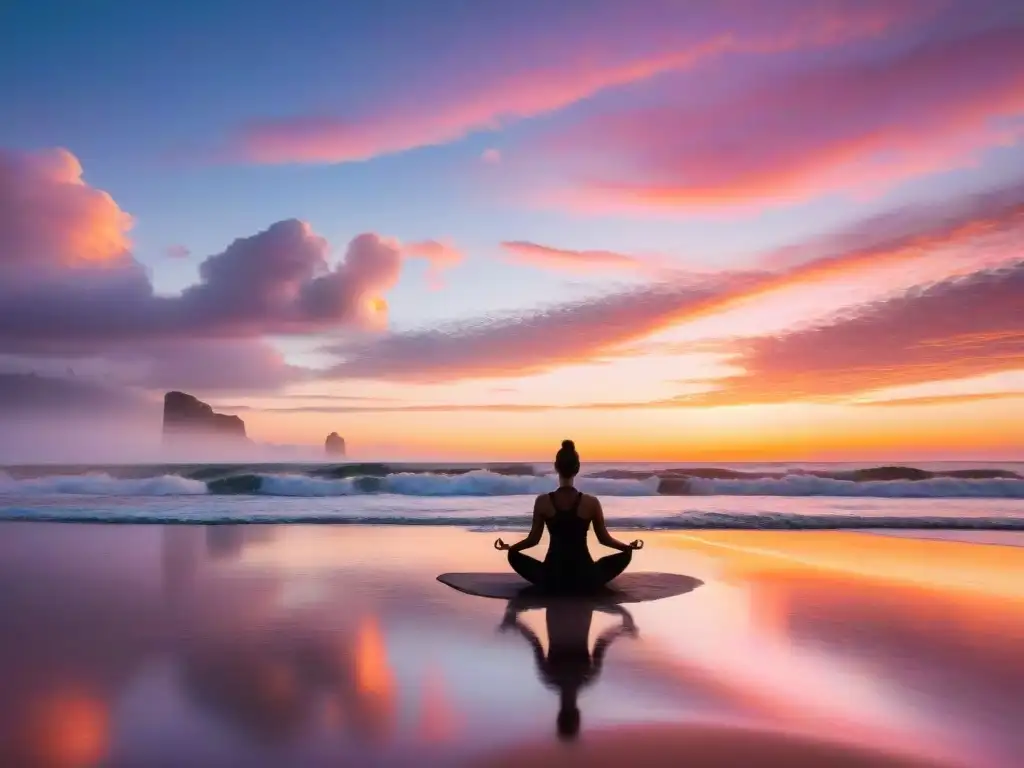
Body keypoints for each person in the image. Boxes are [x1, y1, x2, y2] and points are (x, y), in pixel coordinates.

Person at [494, 439, 643, 592]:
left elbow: (533, 540)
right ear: (577, 468)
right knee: (625, 555)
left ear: (556, 467)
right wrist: (627, 547)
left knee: (513, 556)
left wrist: (511, 548)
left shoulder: (543, 501)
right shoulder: (591, 502)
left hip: (552, 577)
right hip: (585, 577)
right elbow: (604, 539)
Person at [499, 596, 638, 741]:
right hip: (567, 606)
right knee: (514, 605)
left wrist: (623, 623)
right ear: (560, 715)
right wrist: (514, 620)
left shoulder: (585, 677)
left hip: (574, 606)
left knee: (515, 605)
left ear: (577, 714)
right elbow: (535, 641)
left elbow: (601, 642)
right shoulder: (552, 677)